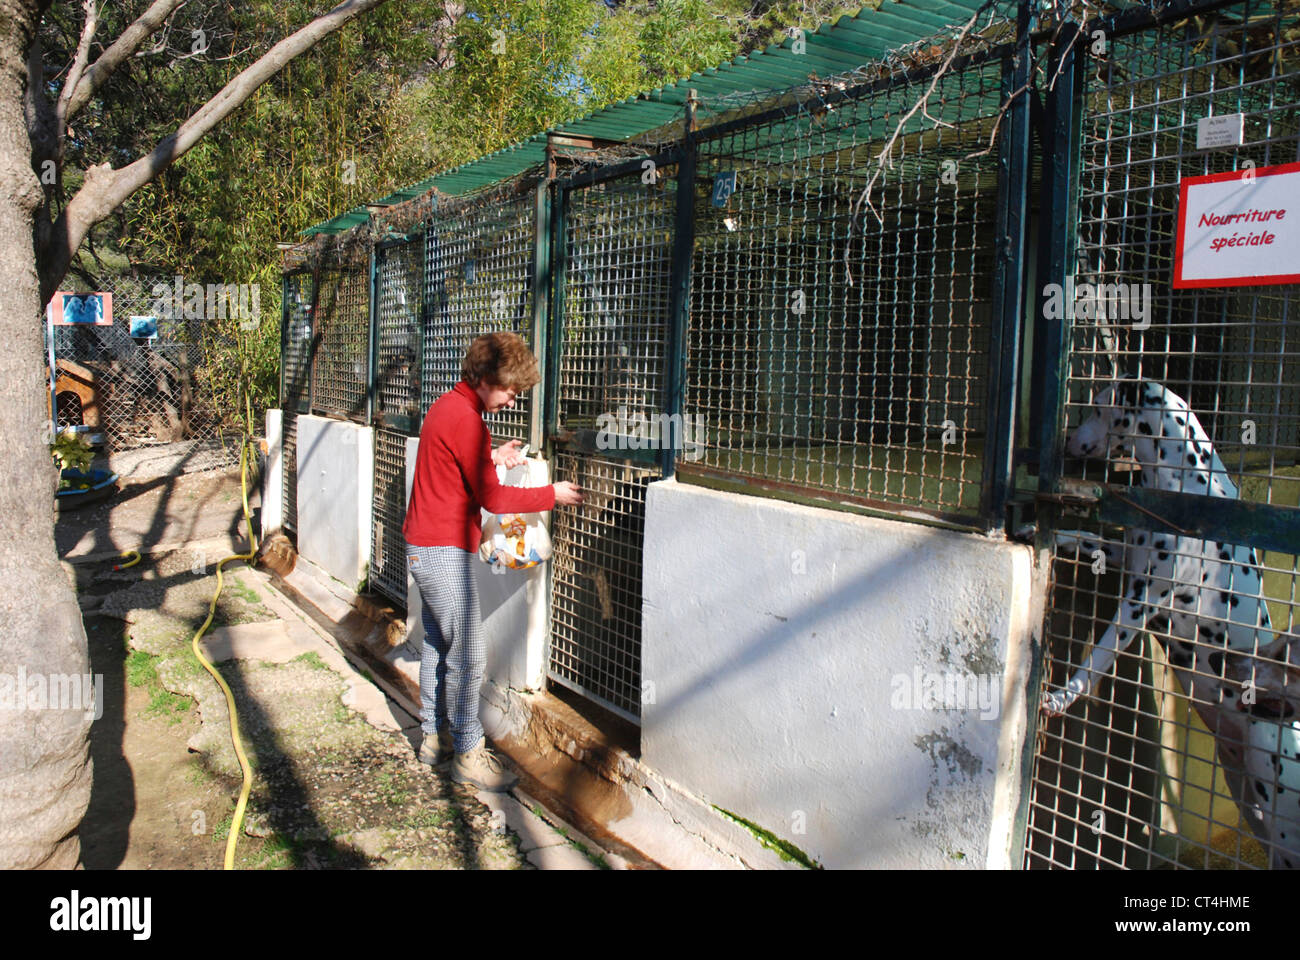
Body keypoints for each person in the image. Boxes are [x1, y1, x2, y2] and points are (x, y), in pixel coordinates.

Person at [403, 332, 582, 792]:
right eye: (509, 389)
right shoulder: (467, 421)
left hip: (424, 547)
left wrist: (493, 456)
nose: (512, 399)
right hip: (443, 549)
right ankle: (467, 752)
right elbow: (493, 498)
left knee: (438, 644)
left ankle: (431, 737)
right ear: (484, 378)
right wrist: (551, 495)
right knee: (467, 650)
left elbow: (459, 469)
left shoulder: (448, 408)